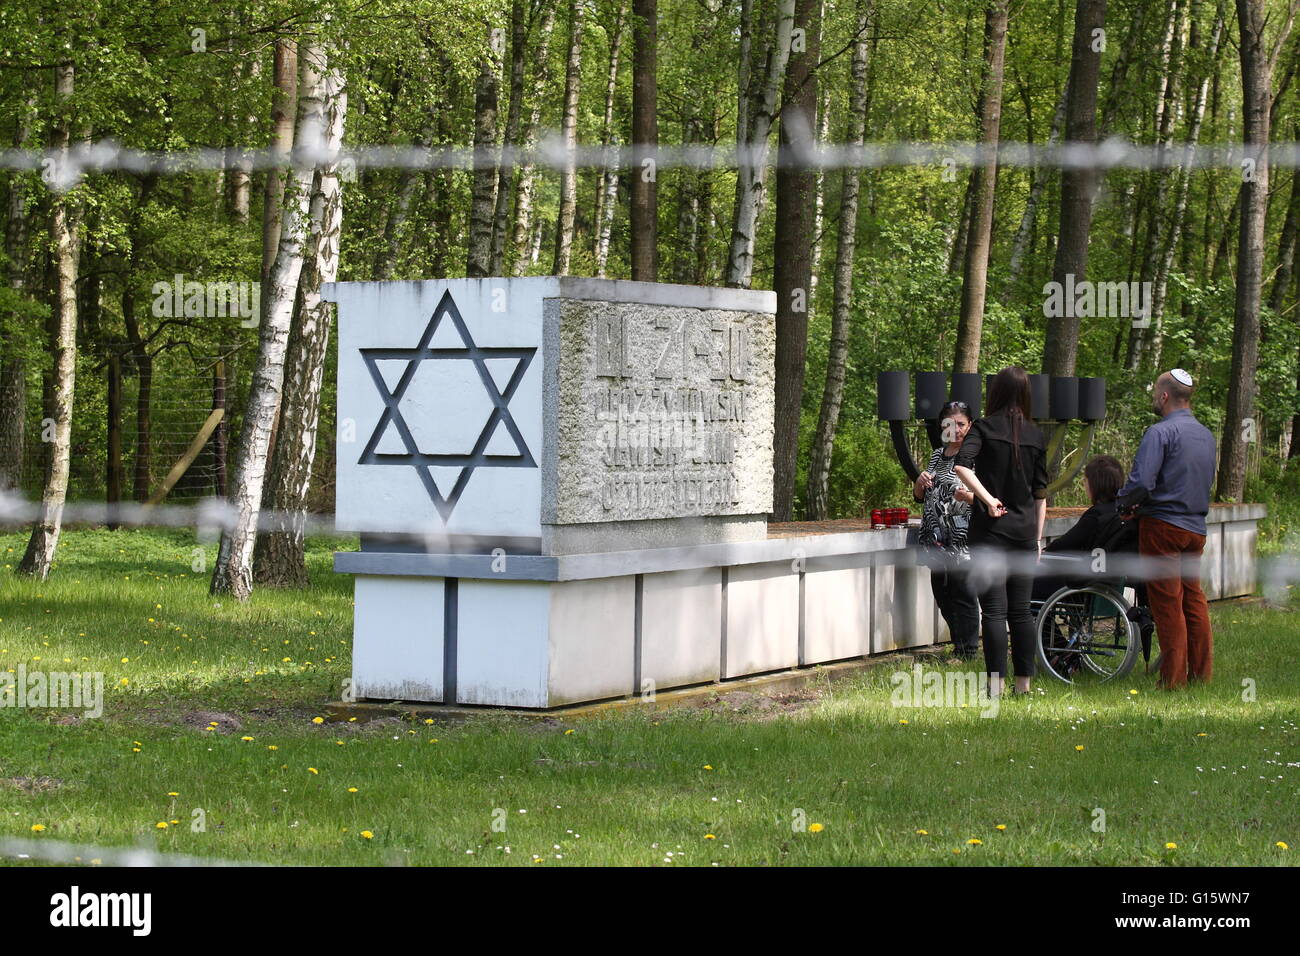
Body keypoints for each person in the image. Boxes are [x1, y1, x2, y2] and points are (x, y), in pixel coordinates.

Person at [1116, 368, 1217, 689]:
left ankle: (1172, 681)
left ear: (1164, 396)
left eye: (1154, 394)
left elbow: (1143, 482)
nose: (1153, 399)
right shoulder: (1206, 435)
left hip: (1162, 527)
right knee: (1194, 600)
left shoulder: (1159, 433)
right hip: (1195, 529)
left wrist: (1124, 504)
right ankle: (1201, 675)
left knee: (1167, 604)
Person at [954, 367, 1048, 697]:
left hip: (990, 534)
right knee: (1021, 612)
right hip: (1024, 534)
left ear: (996, 393)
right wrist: (1037, 540)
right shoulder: (1036, 435)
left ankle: (995, 687)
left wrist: (988, 498)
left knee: (994, 611)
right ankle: (1023, 686)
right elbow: (1041, 495)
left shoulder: (984, 427)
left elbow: (962, 465)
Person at [912, 401, 980, 660]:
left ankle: (968, 650)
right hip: (935, 537)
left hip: (962, 538)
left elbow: (986, 498)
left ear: (970, 425)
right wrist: (920, 482)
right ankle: (959, 644)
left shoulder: (975, 457)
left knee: (963, 594)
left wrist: (969, 497)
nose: (956, 430)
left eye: (961, 424)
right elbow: (920, 497)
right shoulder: (938, 455)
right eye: (949, 425)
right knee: (942, 594)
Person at [1032, 454, 1134, 601]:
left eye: (1085, 480)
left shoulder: (1096, 516)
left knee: (1025, 584)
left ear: (1095, 483)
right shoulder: (1121, 513)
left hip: (1081, 585)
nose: (1084, 484)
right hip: (1107, 583)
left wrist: (1045, 551)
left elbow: (1065, 543)